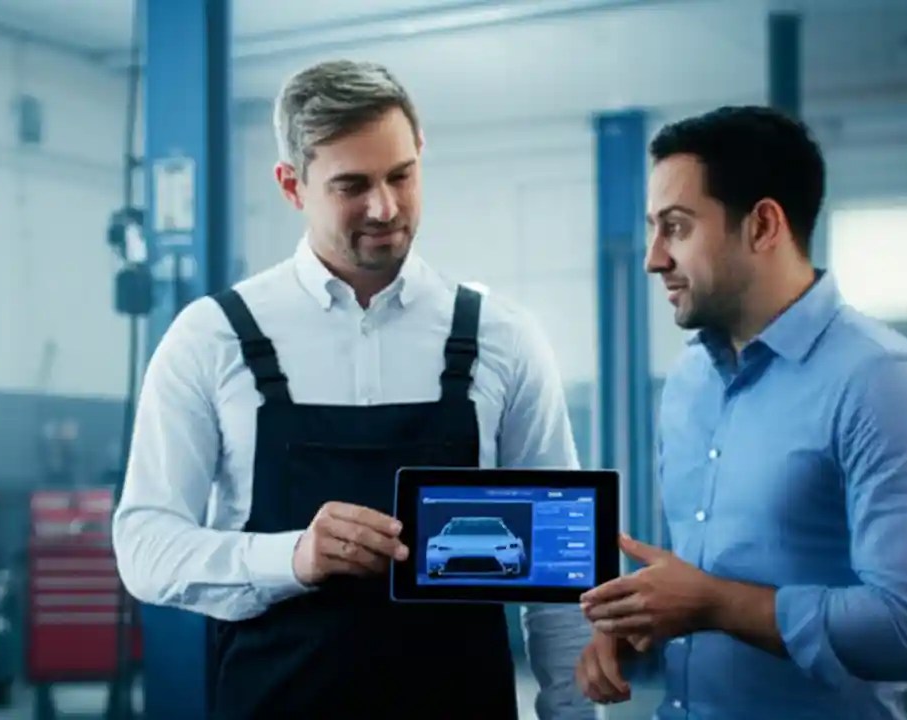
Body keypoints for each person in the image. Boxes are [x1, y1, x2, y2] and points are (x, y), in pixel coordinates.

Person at [113, 59, 593, 719]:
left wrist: (571, 711)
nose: (385, 207)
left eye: (402, 175)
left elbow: (558, 571)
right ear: (292, 186)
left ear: (422, 154)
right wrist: (294, 556)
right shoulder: (212, 338)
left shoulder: (502, 338)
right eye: (351, 185)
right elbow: (144, 546)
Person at [575, 106, 907, 719]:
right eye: (653, 228)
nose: (653, 258)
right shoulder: (686, 383)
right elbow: (693, 586)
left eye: (675, 228)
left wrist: (713, 604)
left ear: (762, 225)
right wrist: (639, 623)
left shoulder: (884, 383)